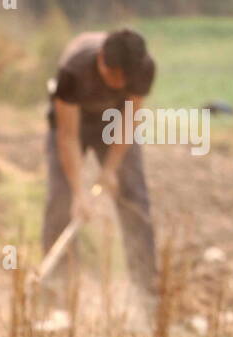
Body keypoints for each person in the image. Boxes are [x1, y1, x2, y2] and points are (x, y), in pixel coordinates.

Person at [43, 29, 157, 302]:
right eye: (113, 76)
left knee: (134, 197)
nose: (119, 84)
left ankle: (145, 289)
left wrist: (109, 170)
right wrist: (79, 193)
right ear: (101, 60)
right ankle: (58, 287)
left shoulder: (143, 68)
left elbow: (129, 121)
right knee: (62, 199)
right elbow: (67, 136)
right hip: (73, 125)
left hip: (114, 124)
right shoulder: (73, 71)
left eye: (124, 79)